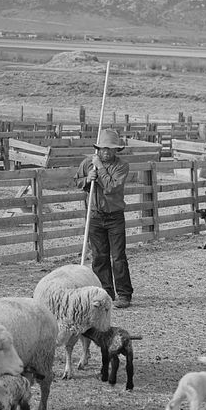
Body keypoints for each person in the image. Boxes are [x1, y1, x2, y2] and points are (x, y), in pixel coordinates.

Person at [74, 128, 134, 309]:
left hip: (114, 217)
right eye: (103, 148)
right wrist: (87, 179)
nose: (106, 152)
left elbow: (111, 187)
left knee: (118, 257)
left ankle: (124, 294)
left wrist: (99, 168)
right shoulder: (87, 163)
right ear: (98, 148)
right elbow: (76, 181)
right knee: (99, 257)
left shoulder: (122, 166)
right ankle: (105, 293)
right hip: (94, 216)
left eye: (110, 149)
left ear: (116, 150)